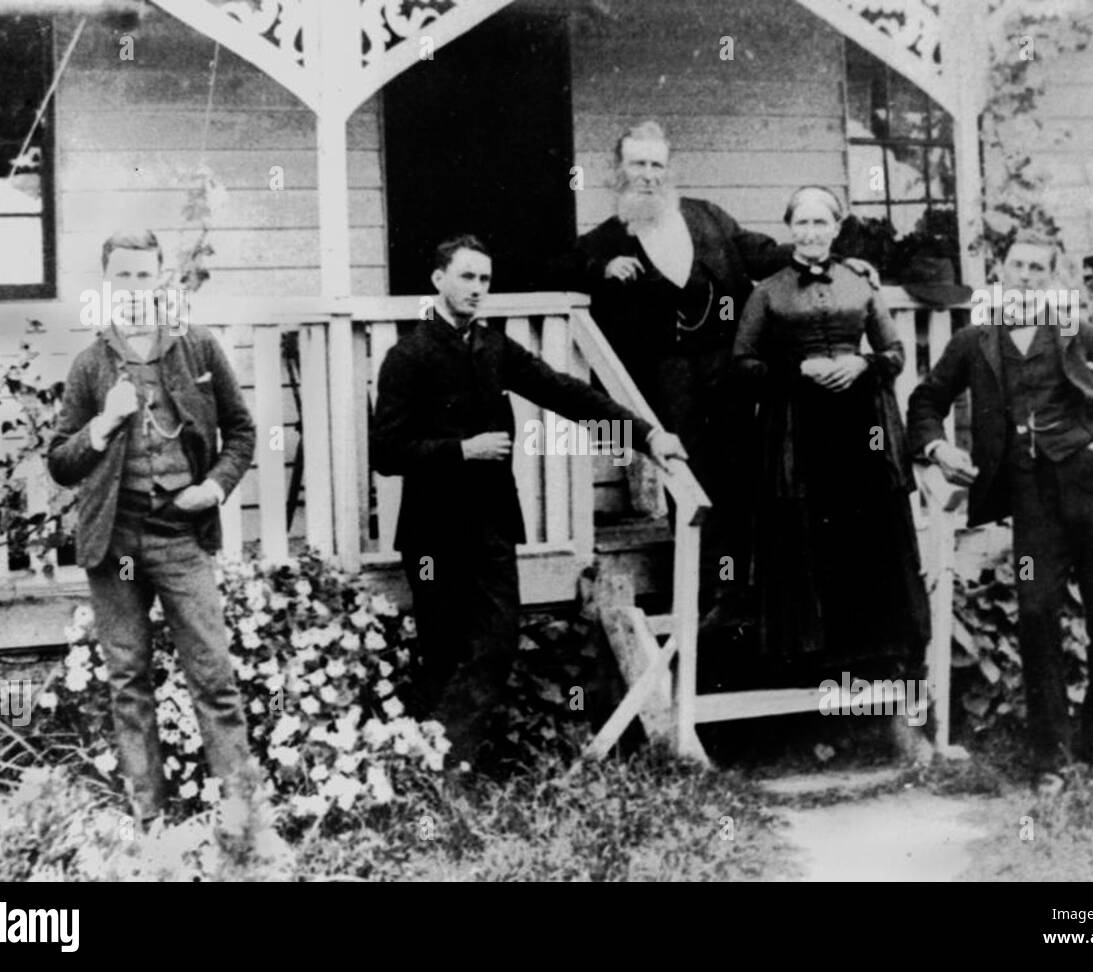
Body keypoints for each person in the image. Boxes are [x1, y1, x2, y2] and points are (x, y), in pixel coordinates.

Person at [373, 235, 687, 761]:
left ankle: (442, 761)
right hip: (432, 531)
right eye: (467, 277)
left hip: (492, 524)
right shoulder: (408, 356)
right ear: (438, 281)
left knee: (496, 646)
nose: (477, 289)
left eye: (485, 280)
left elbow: (566, 392)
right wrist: (461, 450)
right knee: (443, 654)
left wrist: (645, 435)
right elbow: (386, 451)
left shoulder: (495, 348)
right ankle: (442, 774)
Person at [907, 232, 1093, 796]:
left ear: (1053, 276)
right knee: (1037, 616)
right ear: (1002, 271)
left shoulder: (1080, 333)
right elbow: (925, 401)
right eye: (1019, 265)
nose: (1029, 275)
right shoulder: (974, 340)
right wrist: (938, 449)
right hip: (1031, 497)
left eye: (1040, 267)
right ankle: (1051, 762)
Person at [48, 228, 256, 824]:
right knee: (127, 681)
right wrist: (102, 425)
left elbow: (241, 432)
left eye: (146, 275)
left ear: (160, 280)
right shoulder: (91, 364)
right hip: (115, 541)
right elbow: (61, 464)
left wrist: (213, 487)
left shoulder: (198, 348)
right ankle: (149, 825)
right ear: (108, 282)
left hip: (180, 535)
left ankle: (243, 821)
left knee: (214, 677)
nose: (135, 287)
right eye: (124, 276)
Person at [563, 121, 793, 633]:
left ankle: (746, 591)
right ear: (618, 171)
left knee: (742, 471)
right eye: (638, 164)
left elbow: (764, 254)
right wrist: (600, 270)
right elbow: (552, 269)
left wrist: (832, 257)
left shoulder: (708, 218)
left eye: (656, 165)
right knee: (688, 476)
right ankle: (710, 593)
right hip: (666, 377)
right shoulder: (602, 241)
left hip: (727, 368)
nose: (648, 175)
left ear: (669, 171)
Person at [733, 185, 930, 690]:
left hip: (860, 424)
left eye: (821, 223)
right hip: (798, 428)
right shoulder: (767, 291)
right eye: (801, 223)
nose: (811, 232)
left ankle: (876, 655)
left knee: (865, 529)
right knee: (807, 533)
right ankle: (813, 662)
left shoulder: (860, 284)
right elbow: (744, 363)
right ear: (790, 228)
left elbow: (895, 353)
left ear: (836, 229)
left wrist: (859, 362)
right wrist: (798, 368)